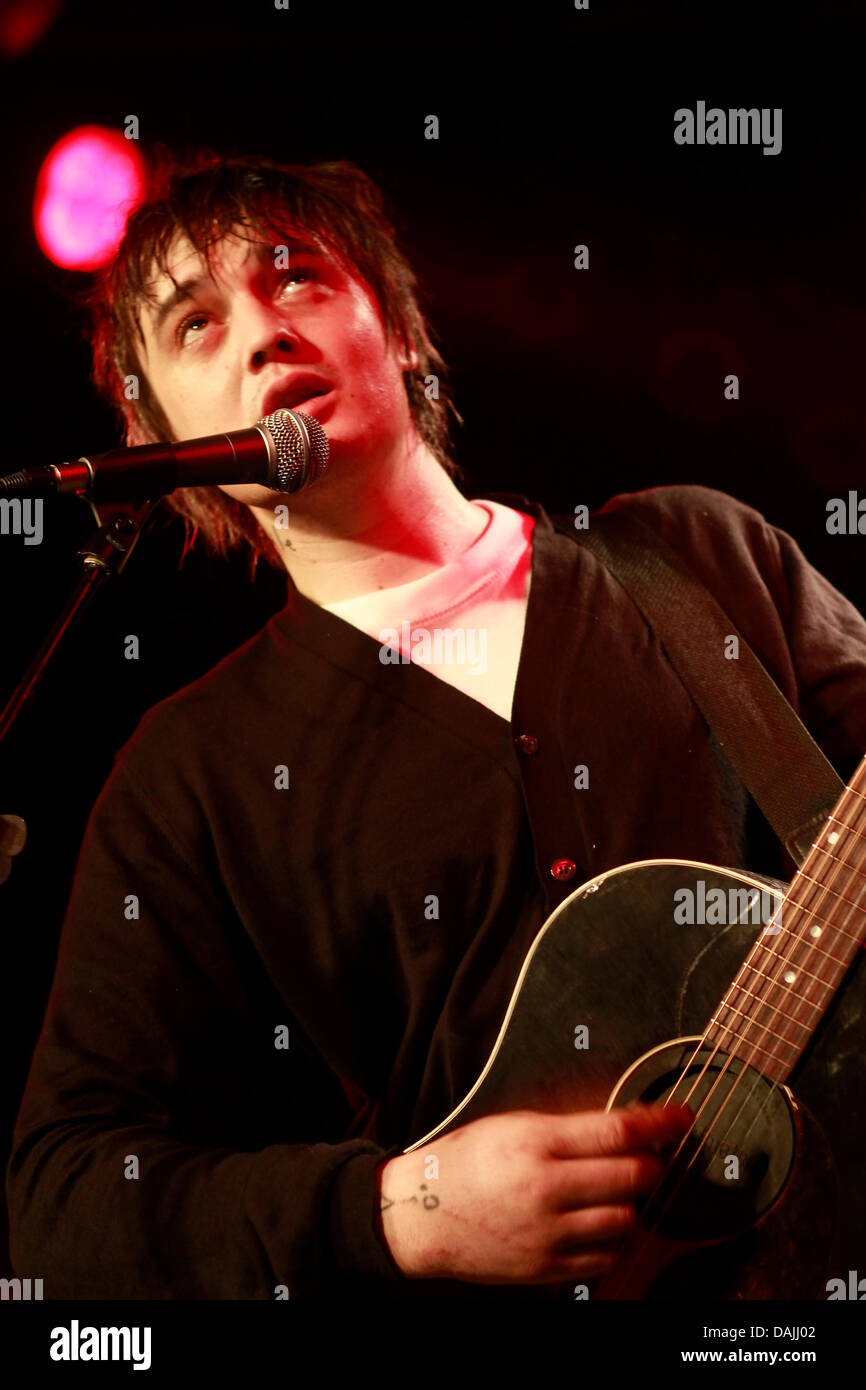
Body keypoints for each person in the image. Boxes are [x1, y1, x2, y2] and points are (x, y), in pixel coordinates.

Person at [5, 154, 866, 1301]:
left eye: (294, 279)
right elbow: (67, 1199)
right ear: (157, 438)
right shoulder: (190, 776)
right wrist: (402, 1214)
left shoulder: (696, 557)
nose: (262, 335)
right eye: (197, 325)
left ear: (399, 331)